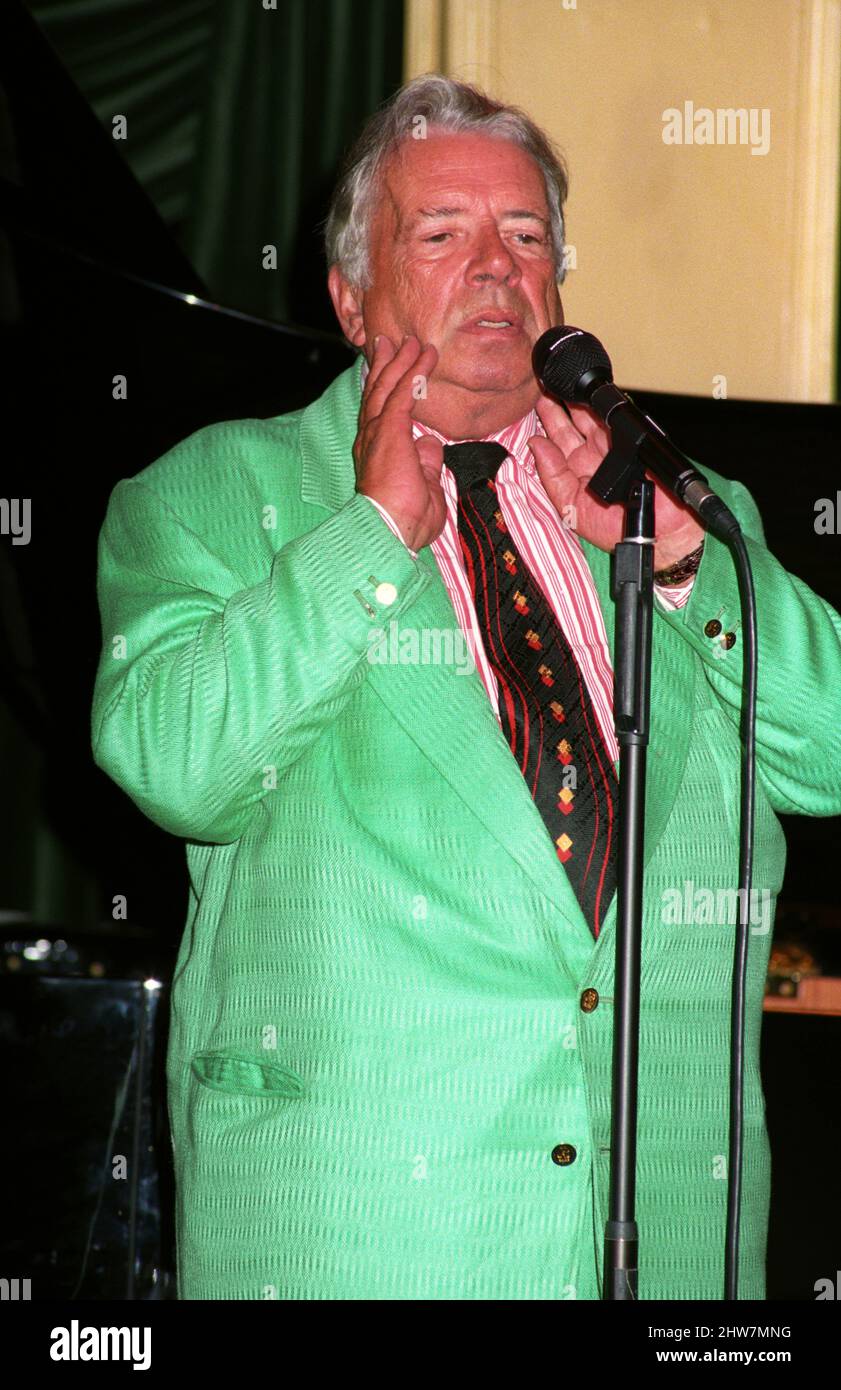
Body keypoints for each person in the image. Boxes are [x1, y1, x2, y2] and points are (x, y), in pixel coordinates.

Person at [91, 74, 841, 1300]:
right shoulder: (212, 494)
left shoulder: (682, 512)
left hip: (666, 1251)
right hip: (366, 1240)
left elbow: (832, 754)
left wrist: (684, 561)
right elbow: (179, 764)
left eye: (526, 236)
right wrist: (373, 533)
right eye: (440, 235)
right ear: (348, 296)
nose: (495, 267)